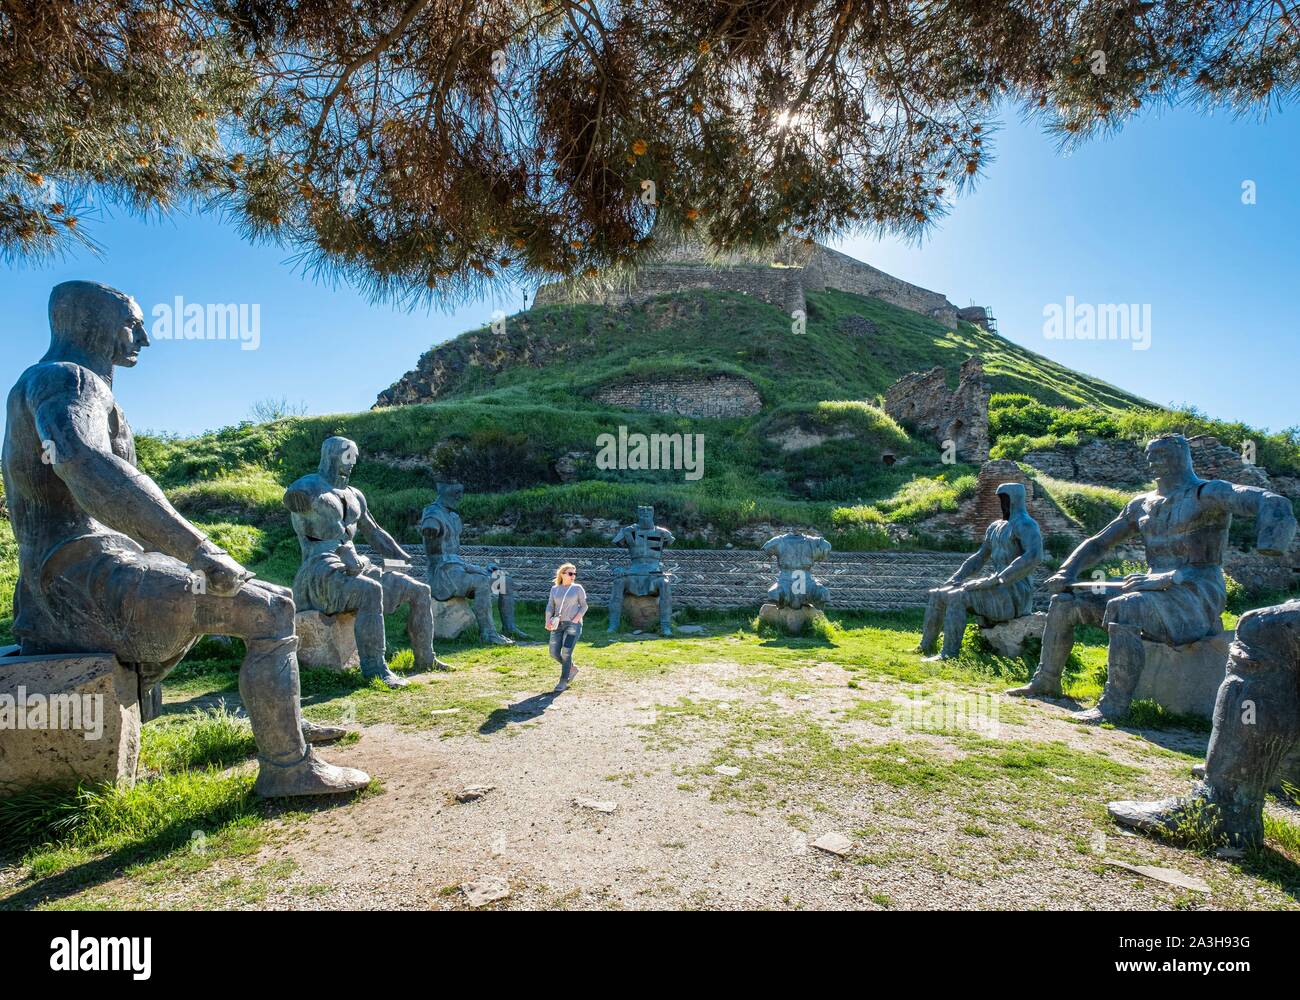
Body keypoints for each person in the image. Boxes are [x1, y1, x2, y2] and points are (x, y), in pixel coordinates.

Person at [3, 281, 367, 797]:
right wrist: (198, 550)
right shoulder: (69, 379)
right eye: (132, 323)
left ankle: (286, 724)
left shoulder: (50, 383)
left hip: (62, 584)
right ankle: (288, 768)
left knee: (270, 598)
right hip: (81, 582)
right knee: (268, 611)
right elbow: (85, 464)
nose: (144, 339)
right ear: (91, 322)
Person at [284, 437, 450, 688]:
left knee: (419, 591)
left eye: (354, 457)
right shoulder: (307, 488)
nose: (352, 462)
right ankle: (375, 669)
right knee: (370, 591)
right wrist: (345, 550)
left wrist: (400, 557)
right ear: (330, 455)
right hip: (320, 571)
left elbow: (374, 532)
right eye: (346, 456)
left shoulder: (354, 495)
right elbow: (294, 501)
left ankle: (426, 659)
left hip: (356, 566)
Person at [546, 563, 587, 690]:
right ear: (562, 574)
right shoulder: (555, 589)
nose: (573, 576)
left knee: (566, 652)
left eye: (574, 574)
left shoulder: (578, 588)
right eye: (570, 573)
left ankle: (563, 681)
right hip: (557, 625)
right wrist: (547, 620)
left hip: (573, 626)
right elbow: (550, 606)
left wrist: (576, 619)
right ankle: (572, 668)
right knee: (553, 653)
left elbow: (584, 606)